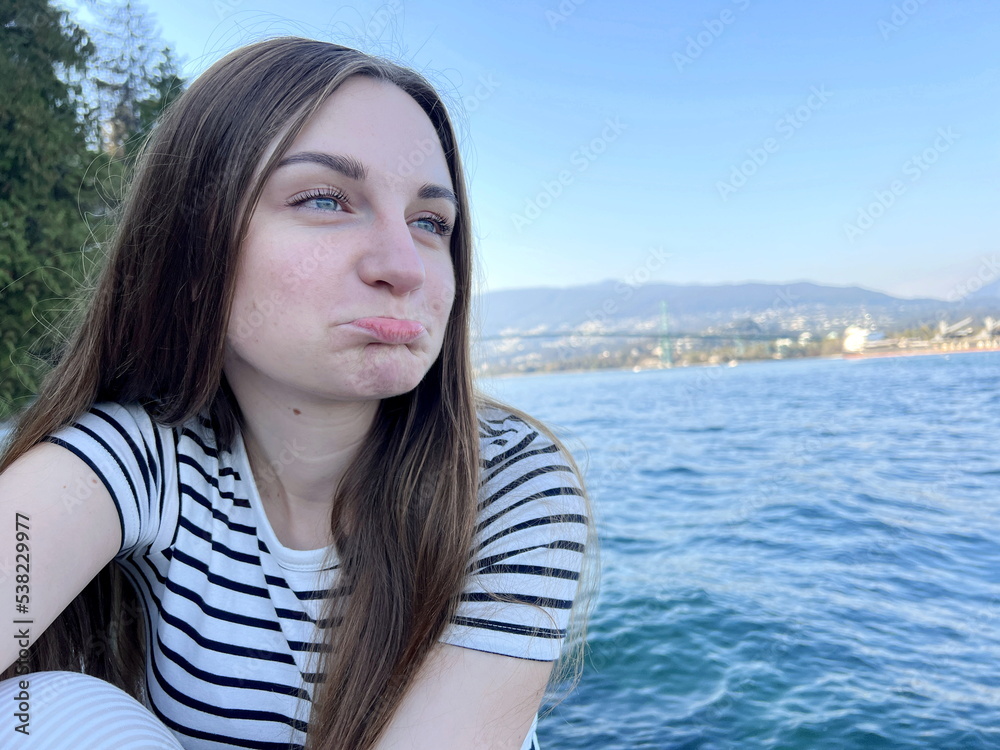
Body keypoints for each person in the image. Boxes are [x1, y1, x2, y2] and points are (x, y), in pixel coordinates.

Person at [0, 37, 593, 749]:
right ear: (196, 246)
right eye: (324, 199)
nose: (404, 266)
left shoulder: (506, 481)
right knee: (40, 712)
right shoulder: (142, 461)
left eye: (430, 222)